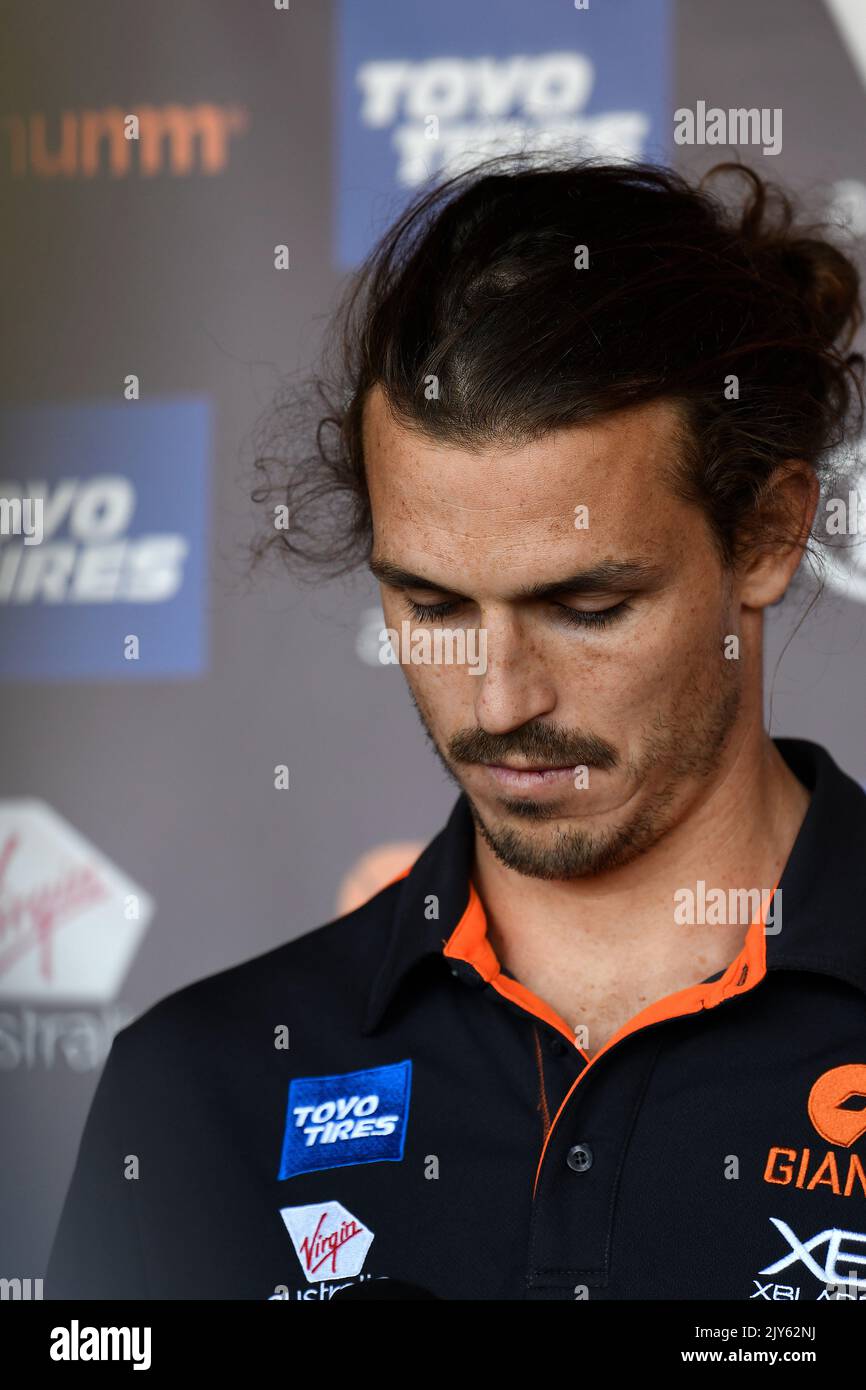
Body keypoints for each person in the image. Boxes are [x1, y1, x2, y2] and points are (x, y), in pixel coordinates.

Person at [48, 155, 866, 1301]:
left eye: (585, 608)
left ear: (768, 536)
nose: (497, 702)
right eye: (429, 606)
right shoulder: (201, 1088)